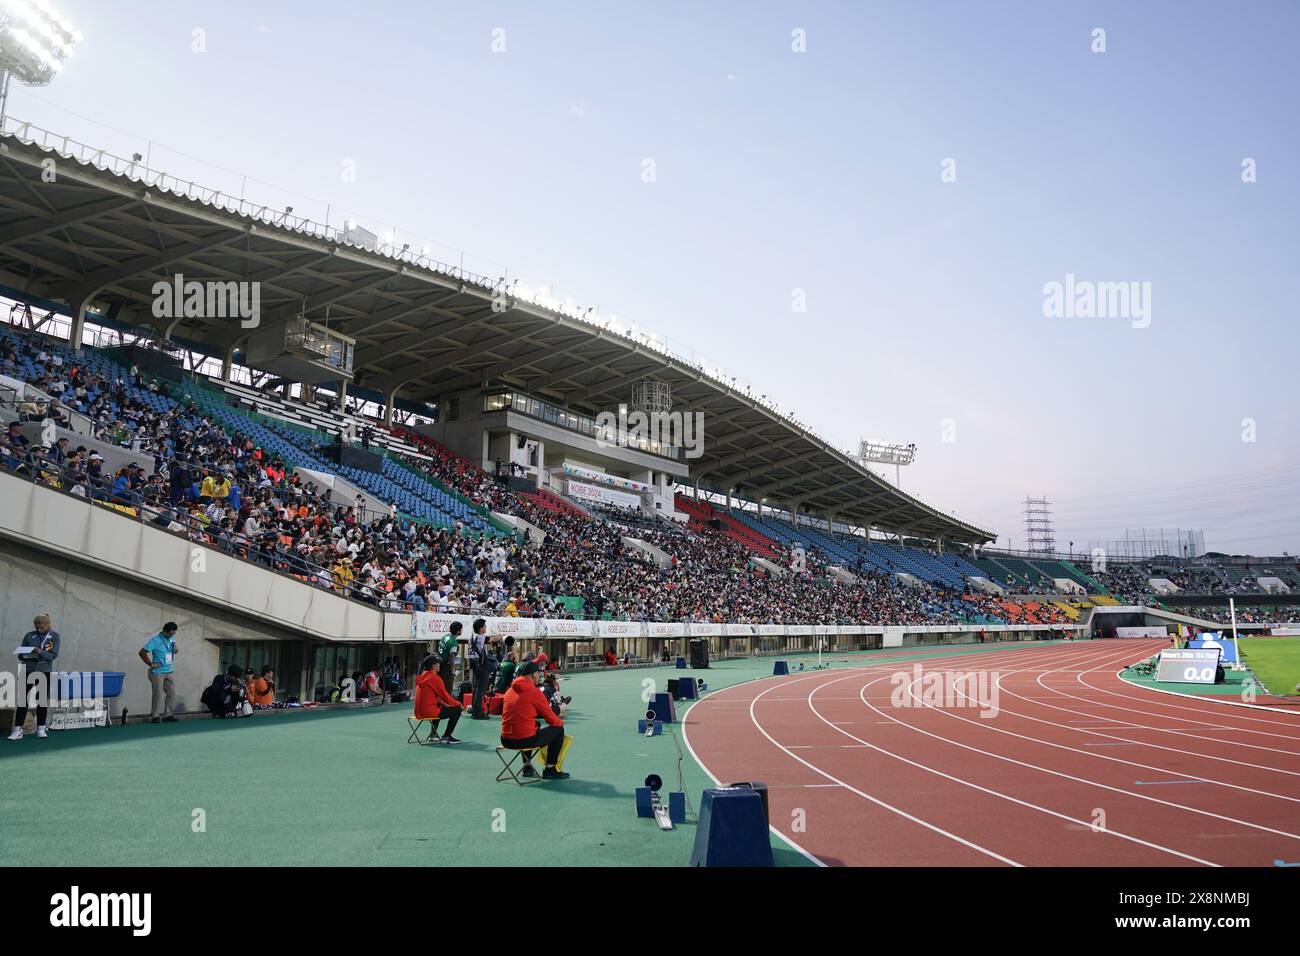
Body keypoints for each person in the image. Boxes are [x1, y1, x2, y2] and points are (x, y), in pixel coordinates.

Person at [500, 662, 569, 779]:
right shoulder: (534, 692)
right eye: (538, 673)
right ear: (534, 675)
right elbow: (552, 719)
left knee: (531, 725)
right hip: (524, 741)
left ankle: (527, 767)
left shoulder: (509, 692)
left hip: (505, 739)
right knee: (558, 730)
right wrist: (561, 711)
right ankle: (550, 769)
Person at [7, 613, 61, 740]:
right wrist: (24, 653)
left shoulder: (55, 636)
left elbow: (53, 656)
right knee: (22, 700)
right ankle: (17, 730)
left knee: (41, 700)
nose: (39, 629)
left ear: (47, 624)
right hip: (27, 670)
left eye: (41, 627)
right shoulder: (29, 635)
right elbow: (20, 655)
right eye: (37, 626)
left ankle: (41, 729)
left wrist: (39, 652)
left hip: (44, 671)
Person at [414, 655, 462, 744]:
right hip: (428, 712)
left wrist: (445, 703)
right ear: (434, 666)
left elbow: (437, 698)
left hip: (418, 713)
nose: (439, 665)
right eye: (438, 664)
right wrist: (458, 704)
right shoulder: (435, 678)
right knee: (457, 710)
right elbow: (445, 696)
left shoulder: (422, 676)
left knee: (439, 706)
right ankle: (447, 736)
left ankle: (433, 735)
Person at [138, 622, 180, 723]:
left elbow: (175, 651)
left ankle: (168, 715)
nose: (172, 635)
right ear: (165, 631)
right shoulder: (155, 640)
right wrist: (150, 664)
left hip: (169, 671)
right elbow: (142, 652)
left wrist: (176, 650)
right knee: (158, 694)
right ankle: (155, 716)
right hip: (158, 672)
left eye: (174, 634)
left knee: (172, 693)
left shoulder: (172, 640)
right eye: (171, 633)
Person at [467, 618, 497, 719]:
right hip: (481, 665)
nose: (485, 628)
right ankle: (478, 712)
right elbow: (492, 639)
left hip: (475, 664)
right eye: (484, 626)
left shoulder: (472, 637)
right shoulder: (480, 637)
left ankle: (475, 710)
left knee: (476, 688)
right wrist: (501, 636)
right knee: (481, 689)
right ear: (480, 629)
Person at [436, 621, 461, 698]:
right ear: (458, 631)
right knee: (447, 690)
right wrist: (453, 672)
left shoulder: (445, 637)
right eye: (461, 629)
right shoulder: (453, 643)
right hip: (445, 668)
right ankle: (446, 708)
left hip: (439, 665)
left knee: (439, 688)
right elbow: (452, 659)